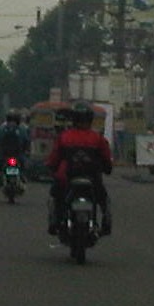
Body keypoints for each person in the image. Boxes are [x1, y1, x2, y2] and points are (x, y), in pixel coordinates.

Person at [47, 101, 114, 238]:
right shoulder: (97, 139)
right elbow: (106, 159)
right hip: (93, 179)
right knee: (103, 199)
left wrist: (52, 167)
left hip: (68, 178)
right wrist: (107, 169)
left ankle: (55, 221)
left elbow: (54, 158)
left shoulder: (64, 137)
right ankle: (106, 221)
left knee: (56, 196)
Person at [0, 110, 30, 189]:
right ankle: (22, 177)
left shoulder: (2, 128)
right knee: (23, 166)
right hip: (17, 154)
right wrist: (26, 150)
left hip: (5, 154)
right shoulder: (22, 129)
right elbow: (26, 141)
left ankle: (0, 178)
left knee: (0, 165)